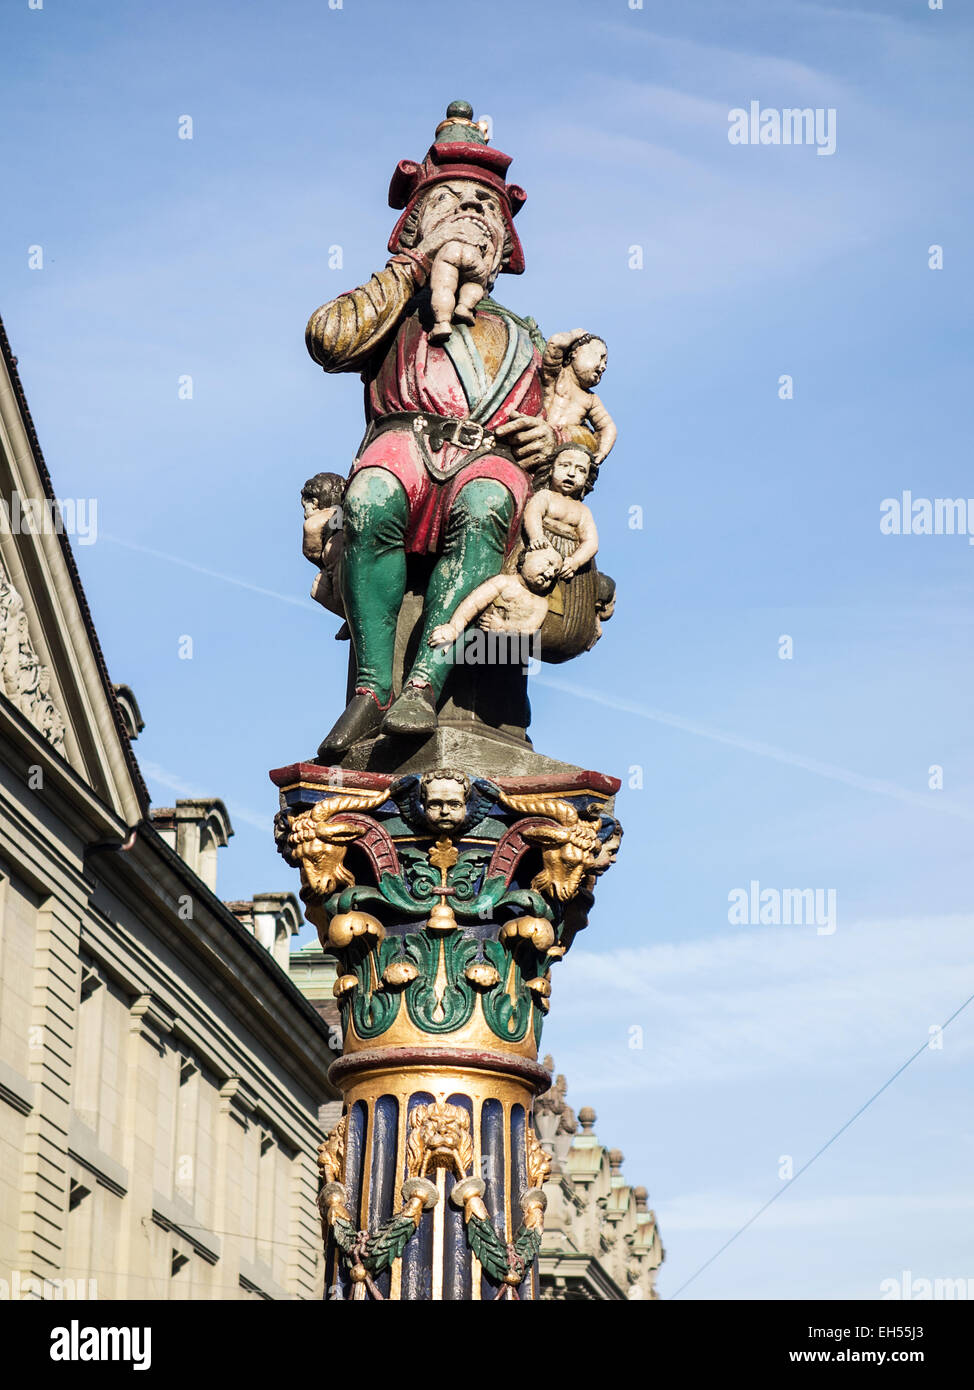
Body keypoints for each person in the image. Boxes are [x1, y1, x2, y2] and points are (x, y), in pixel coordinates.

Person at [305, 102, 600, 756]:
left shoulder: (525, 336)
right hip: (404, 434)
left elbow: (560, 428)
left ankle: (423, 681)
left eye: (484, 206)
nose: (471, 212)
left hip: (488, 457)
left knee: (489, 505)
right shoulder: (400, 304)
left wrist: (548, 444)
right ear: (419, 224)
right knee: (369, 498)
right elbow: (328, 340)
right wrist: (412, 267)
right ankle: (371, 687)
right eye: (453, 201)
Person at [541, 330, 617, 464]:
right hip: (538, 433)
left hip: (561, 450)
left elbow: (608, 427)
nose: (603, 367)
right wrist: (573, 335)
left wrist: (602, 452)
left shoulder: (590, 399)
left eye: (605, 363)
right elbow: (554, 344)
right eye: (600, 357)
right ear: (576, 352)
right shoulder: (557, 376)